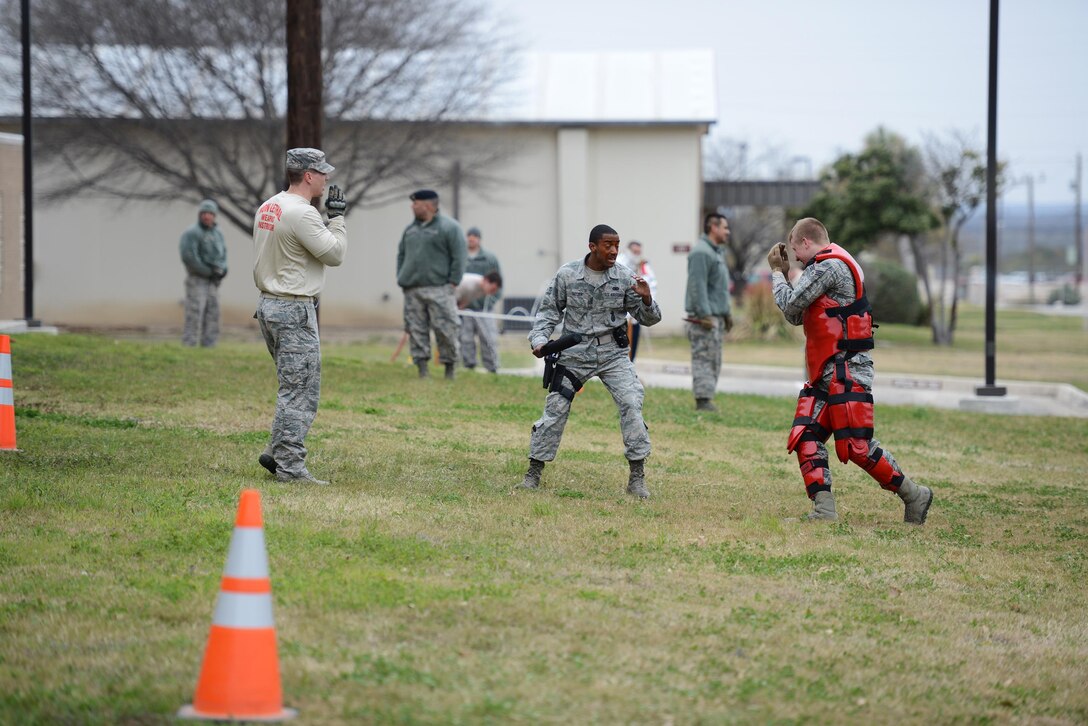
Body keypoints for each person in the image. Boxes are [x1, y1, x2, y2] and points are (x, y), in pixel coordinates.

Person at [768, 217, 933, 523]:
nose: (797, 259)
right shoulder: (824, 266)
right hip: (825, 373)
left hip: (846, 371)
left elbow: (790, 305)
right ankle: (824, 510)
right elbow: (796, 315)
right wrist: (786, 276)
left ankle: (915, 494)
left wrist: (778, 273)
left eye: (796, 250)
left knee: (858, 447)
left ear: (806, 242)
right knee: (805, 436)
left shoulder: (828, 266)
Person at [518, 224, 661, 499]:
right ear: (592, 246)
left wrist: (646, 299)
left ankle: (637, 478)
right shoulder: (568, 274)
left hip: (613, 356)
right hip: (575, 354)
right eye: (608, 245)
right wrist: (539, 339)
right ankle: (533, 474)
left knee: (631, 403)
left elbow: (650, 319)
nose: (614, 251)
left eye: (617, 245)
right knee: (556, 409)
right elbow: (549, 311)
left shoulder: (624, 277)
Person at [252, 148, 347, 485]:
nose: (326, 178)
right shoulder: (302, 213)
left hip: (269, 304)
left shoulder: (270, 205)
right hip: (293, 308)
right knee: (301, 391)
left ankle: (276, 452)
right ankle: (290, 467)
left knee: (290, 385)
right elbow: (334, 254)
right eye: (322, 172)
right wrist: (336, 220)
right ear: (308, 175)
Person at [396, 189, 467, 380]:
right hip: (413, 289)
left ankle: (450, 369)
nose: (412, 206)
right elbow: (401, 255)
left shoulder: (450, 227)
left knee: (446, 329)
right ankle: (422, 370)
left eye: (416, 203)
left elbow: (459, 256)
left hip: (440, 288)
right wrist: (401, 277)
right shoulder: (410, 229)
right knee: (416, 329)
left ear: (427, 205)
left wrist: (453, 281)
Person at [685, 213, 733, 411]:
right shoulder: (701, 252)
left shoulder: (716, 252)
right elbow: (697, 287)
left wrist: (726, 313)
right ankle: (703, 400)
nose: (728, 232)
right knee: (704, 358)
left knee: (713, 358)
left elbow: (718, 288)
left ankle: (707, 397)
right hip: (704, 318)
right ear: (713, 227)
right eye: (725, 227)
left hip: (716, 316)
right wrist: (704, 314)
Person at [179, 199, 228, 347]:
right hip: (197, 279)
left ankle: (210, 344)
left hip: (213, 281)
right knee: (194, 313)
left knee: (213, 313)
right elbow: (189, 258)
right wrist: (208, 271)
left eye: (210, 213)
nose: (207, 216)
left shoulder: (218, 233)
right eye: (204, 213)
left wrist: (223, 270)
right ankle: (189, 343)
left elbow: (223, 254)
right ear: (200, 214)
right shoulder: (192, 233)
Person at [460, 227, 503, 373]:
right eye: (469, 236)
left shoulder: (489, 258)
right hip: (465, 308)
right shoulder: (460, 256)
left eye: (474, 236)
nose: (471, 239)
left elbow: (498, 282)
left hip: (484, 308)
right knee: (465, 338)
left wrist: (490, 301)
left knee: (488, 338)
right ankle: (468, 365)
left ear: (479, 239)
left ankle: (492, 366)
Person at [615, 240, 657, 361]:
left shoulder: (643, 265)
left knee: (633, 343)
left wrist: (646, 305)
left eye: (639, 252)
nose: (636, 254)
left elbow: (652, 286)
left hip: (636, 314)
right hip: (620, 315)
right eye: (634, 251)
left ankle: (631, 365)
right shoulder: (619, 263)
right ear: (628, 250)